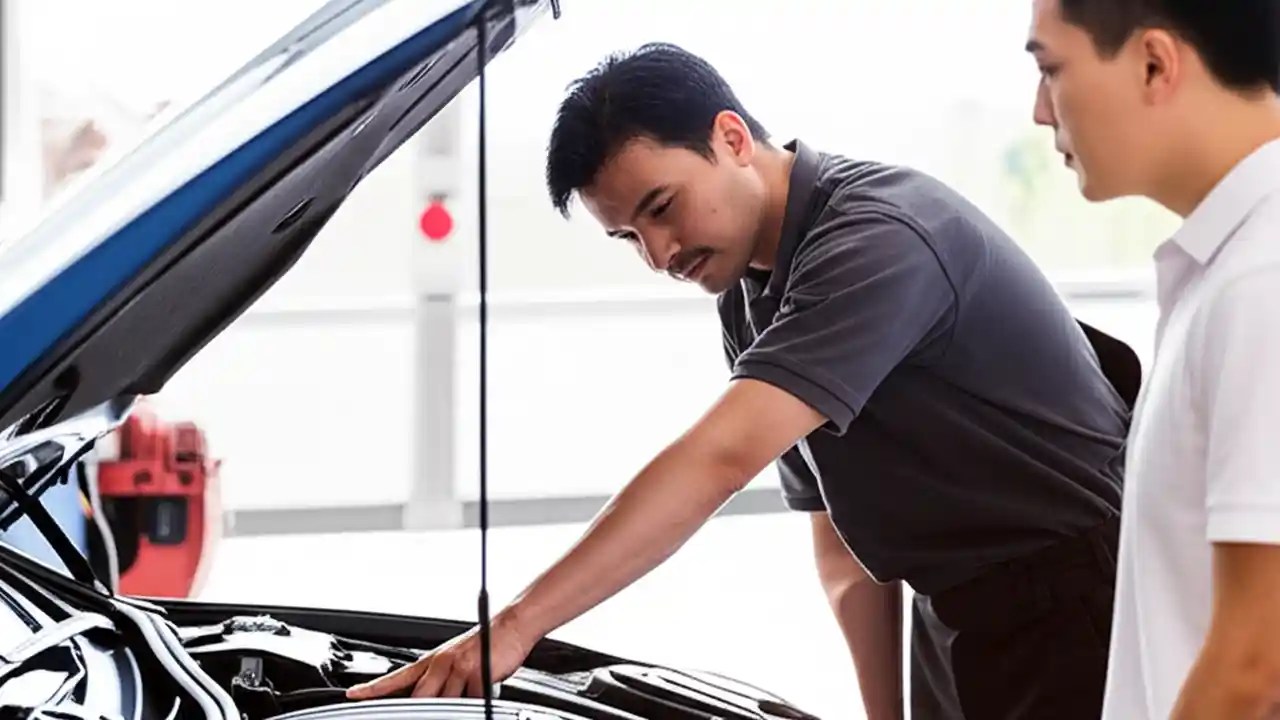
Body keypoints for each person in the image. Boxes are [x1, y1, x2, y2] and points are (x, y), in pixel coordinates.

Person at [349, 42, 1133, 718]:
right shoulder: (747, 293)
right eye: (629, 238)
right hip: (953, 606)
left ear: (730, 138)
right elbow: (839, 539)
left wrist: (519, 625)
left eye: (662, 208)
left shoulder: (877, 238)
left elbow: (718, 461)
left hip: (1075, 593)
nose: (659, 255)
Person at [1025, 1, 1280, 718]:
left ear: (1153, 63)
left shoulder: (1263, 279)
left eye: (1051, 69)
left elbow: (1258, 663)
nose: (1041, 111)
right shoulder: (1226, 267)